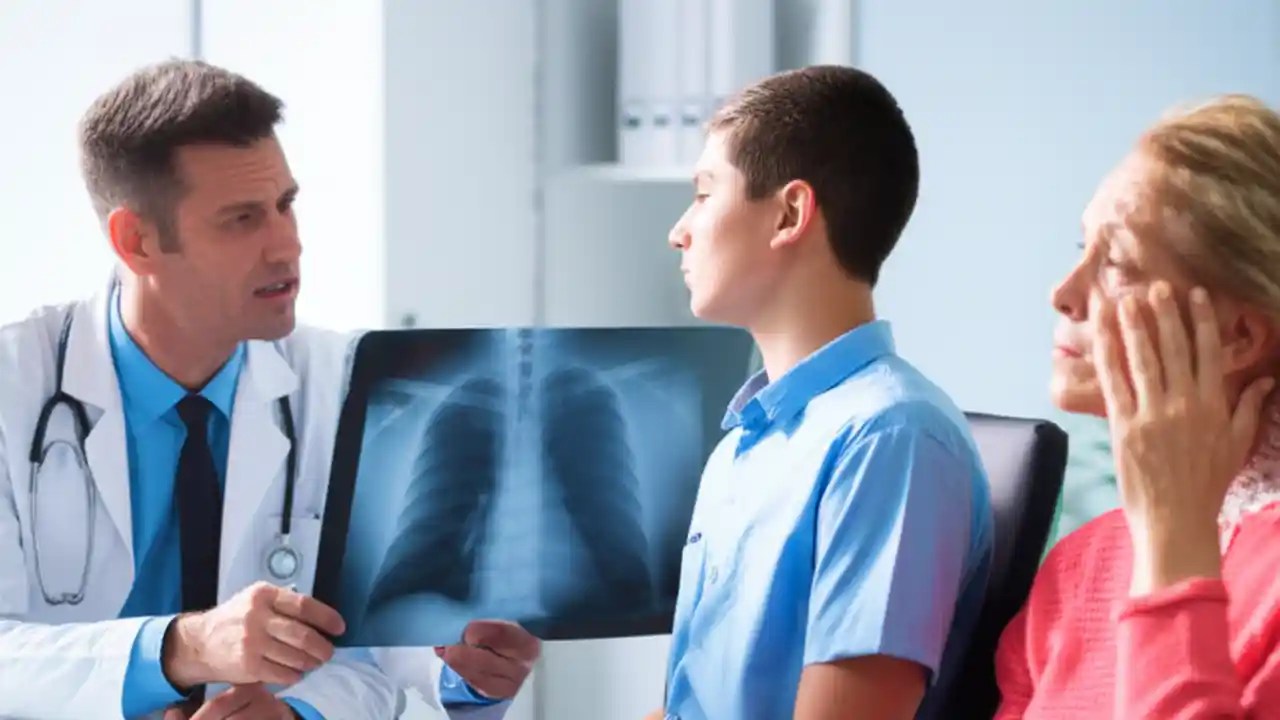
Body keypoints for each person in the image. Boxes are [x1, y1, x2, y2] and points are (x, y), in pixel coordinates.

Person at [0, 59, 539, 719]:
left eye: (286, 205)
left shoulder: (343, 382)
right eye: (242, 219)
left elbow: (377, 654)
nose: (288, 246)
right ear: (135, 240)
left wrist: (309, 712)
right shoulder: (14, 387)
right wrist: (182, 647)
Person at [650, 65, 994, 720]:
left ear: (789, 213)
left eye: (703, 194)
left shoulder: (891, 438)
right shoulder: (742, 447)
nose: (679, 231)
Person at [994, 94, 1280, 717]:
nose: (1063, 294)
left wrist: (1175, 536)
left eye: (1116, 263)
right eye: (1081, 248)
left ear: (1240, 337)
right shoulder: (1077, 568)